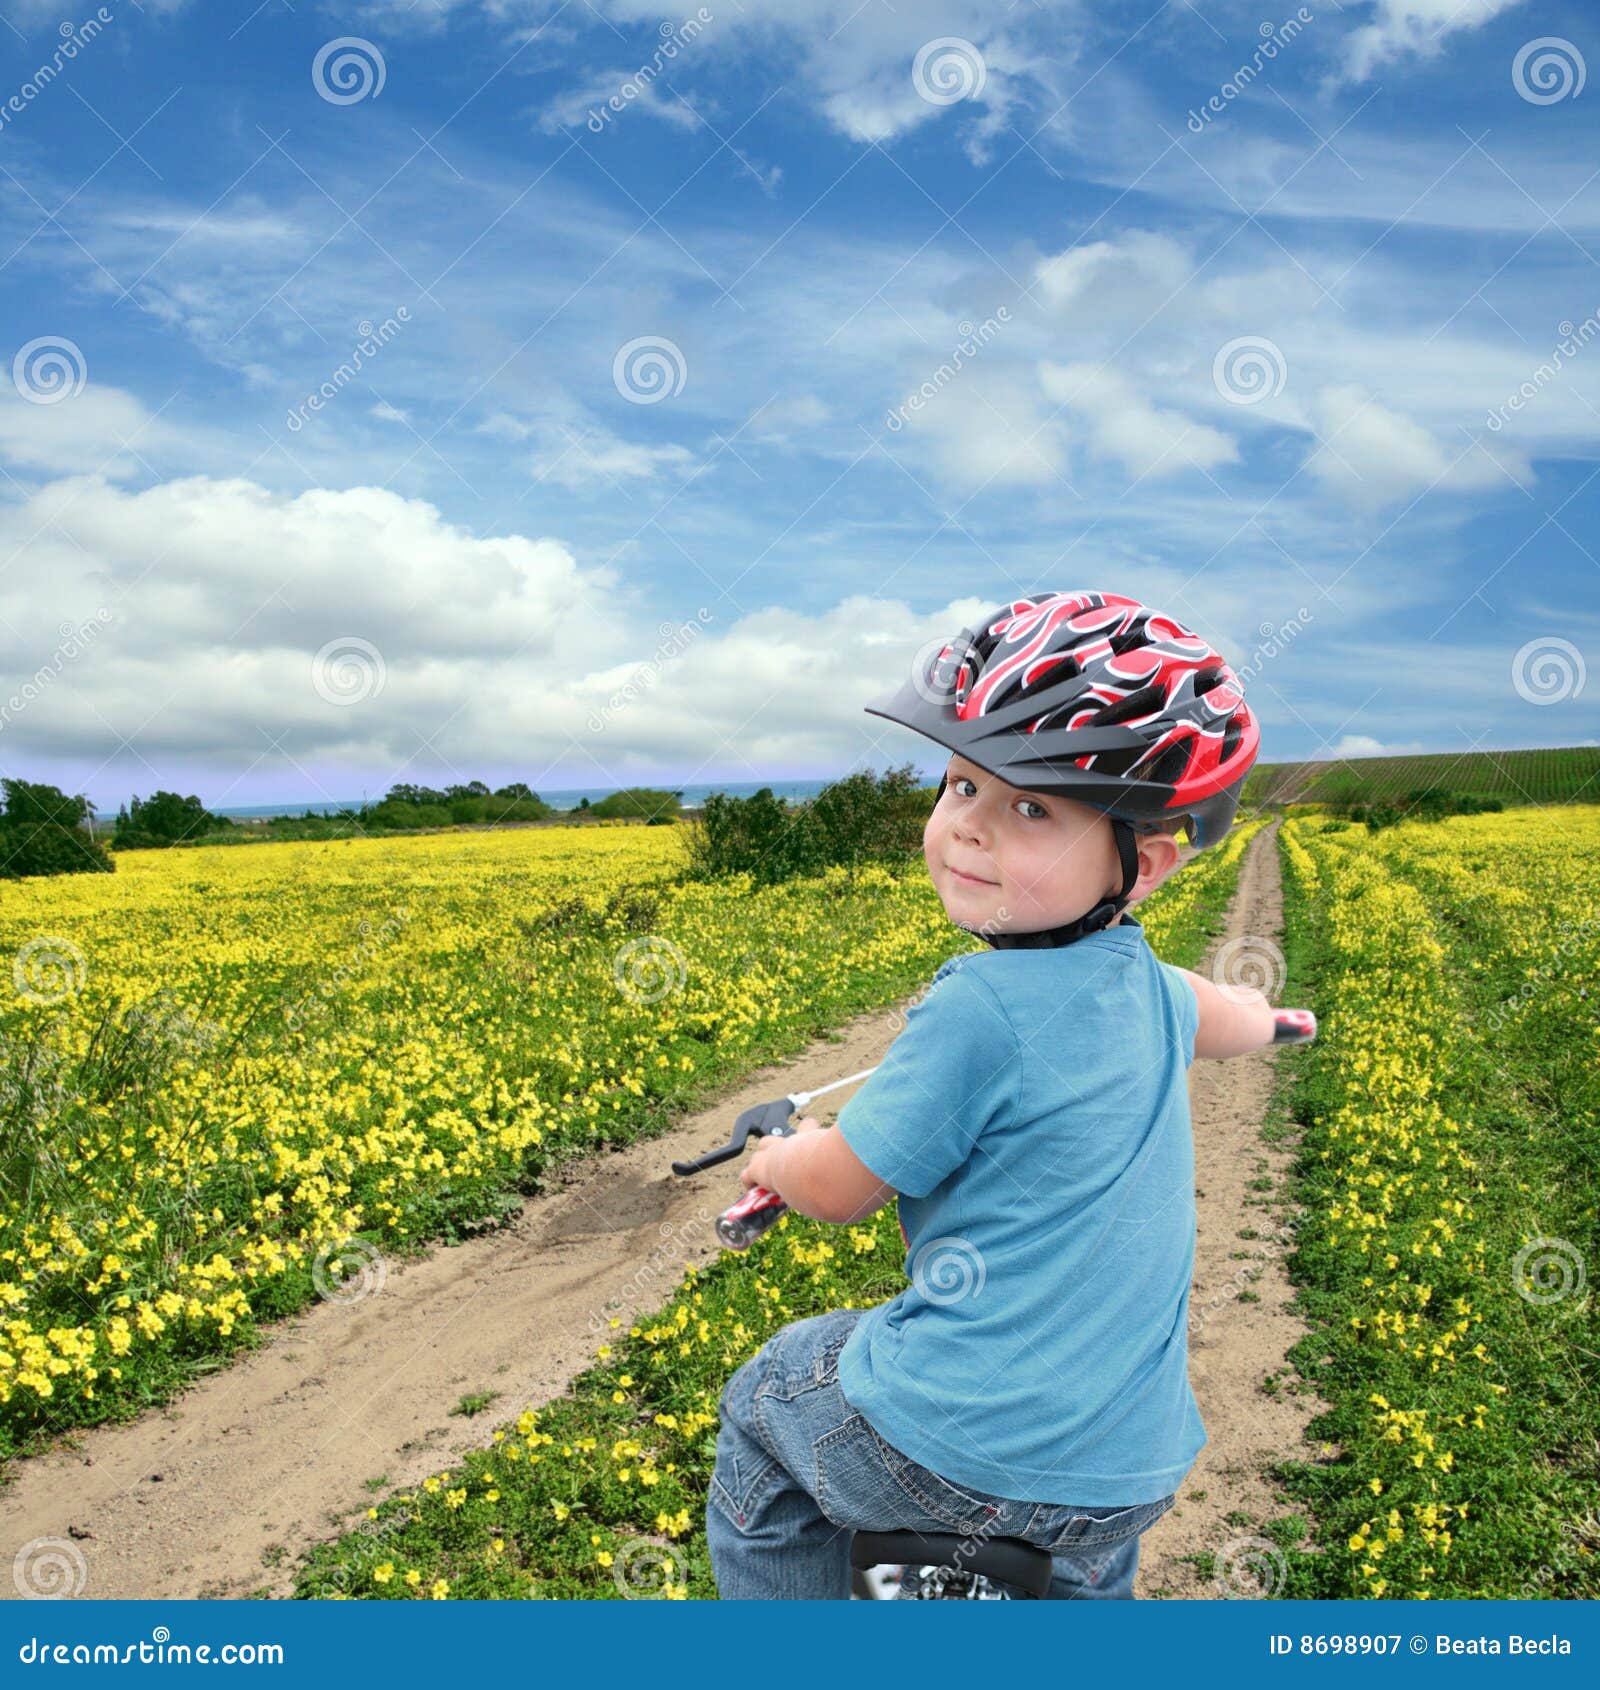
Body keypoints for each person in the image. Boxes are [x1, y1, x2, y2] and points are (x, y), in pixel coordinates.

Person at [705, 589, 1281, 1601]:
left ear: (1139, 864)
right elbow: (1221, 1013)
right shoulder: (1151, 985)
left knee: (769, 1399)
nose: (966, 829)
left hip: (969, 1447)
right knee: (1079, 1554)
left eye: (1028, 807)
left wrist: (777, 1154)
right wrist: (1275, 1018)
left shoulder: (979, 1002)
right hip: (1128, 1468)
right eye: (961, 784)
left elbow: (839, 1187)